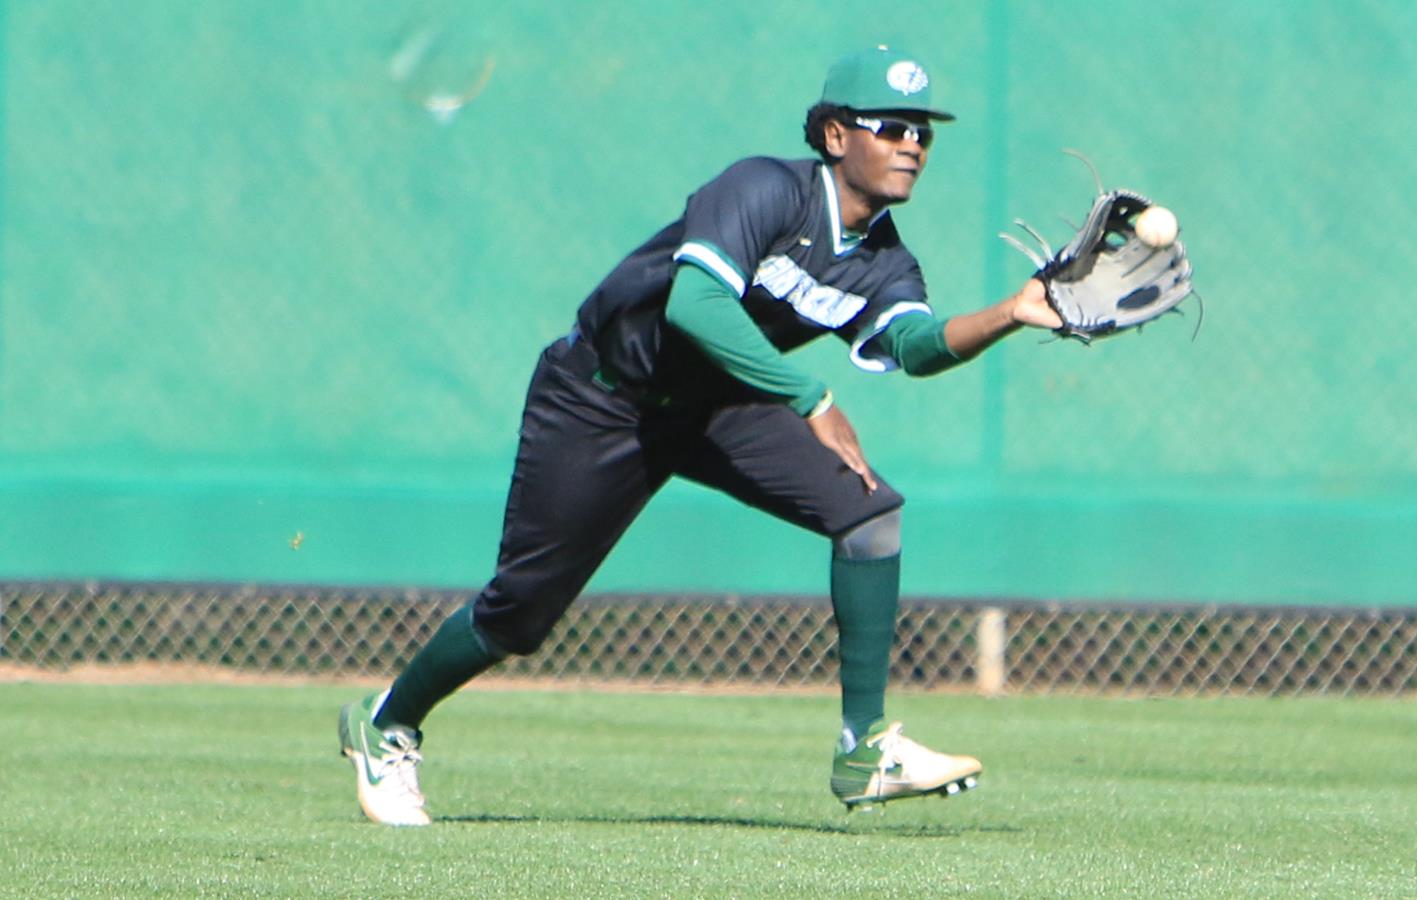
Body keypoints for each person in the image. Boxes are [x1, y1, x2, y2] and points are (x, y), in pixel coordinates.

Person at [337, 45, 1064, 826]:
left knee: (869, 512)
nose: (911, 144)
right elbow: (696, 306)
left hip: (716, 408)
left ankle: (866, 749)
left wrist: (1011, 313)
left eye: (923, 131)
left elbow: (914, 346)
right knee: (520, 615)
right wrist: (812, 395)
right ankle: (385, 724)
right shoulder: (762, 189)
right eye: (890, 126)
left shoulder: (886, 262)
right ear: (833, 135)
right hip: (601, 396)